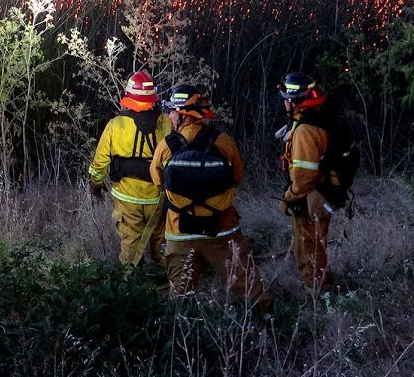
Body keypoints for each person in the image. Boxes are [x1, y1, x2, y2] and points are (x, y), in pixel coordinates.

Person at [150, 84, 271, 310]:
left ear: (183, 114)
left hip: (180, 231)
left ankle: (178, 334)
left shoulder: (166, 145)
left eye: (172, 111)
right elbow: (237, 177)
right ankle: (266, 320)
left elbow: (158, 182)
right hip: (222, 230)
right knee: (247, 285)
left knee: (180, 295)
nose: (169, 115)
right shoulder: (224, 141)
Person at [88, 70, 173, 269]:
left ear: (128, 95)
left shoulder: (115, 125)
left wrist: (96, 185)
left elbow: (99, 163)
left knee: (130, 241)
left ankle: (130, 282)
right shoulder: (167, 123)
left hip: (127, 198)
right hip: (158, 198)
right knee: (160, 238)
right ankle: (164, 280)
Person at [277, 71, 335, 293]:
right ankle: (319, 281)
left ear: (295, 102)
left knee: (307, 244)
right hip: (321, 194)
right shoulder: (317, 120)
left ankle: (314, 292)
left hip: (308, 197)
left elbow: (304, 178)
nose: (284, 103)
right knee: (316, 243)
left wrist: (288, 197)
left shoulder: (304, 131)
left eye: (286, 99)